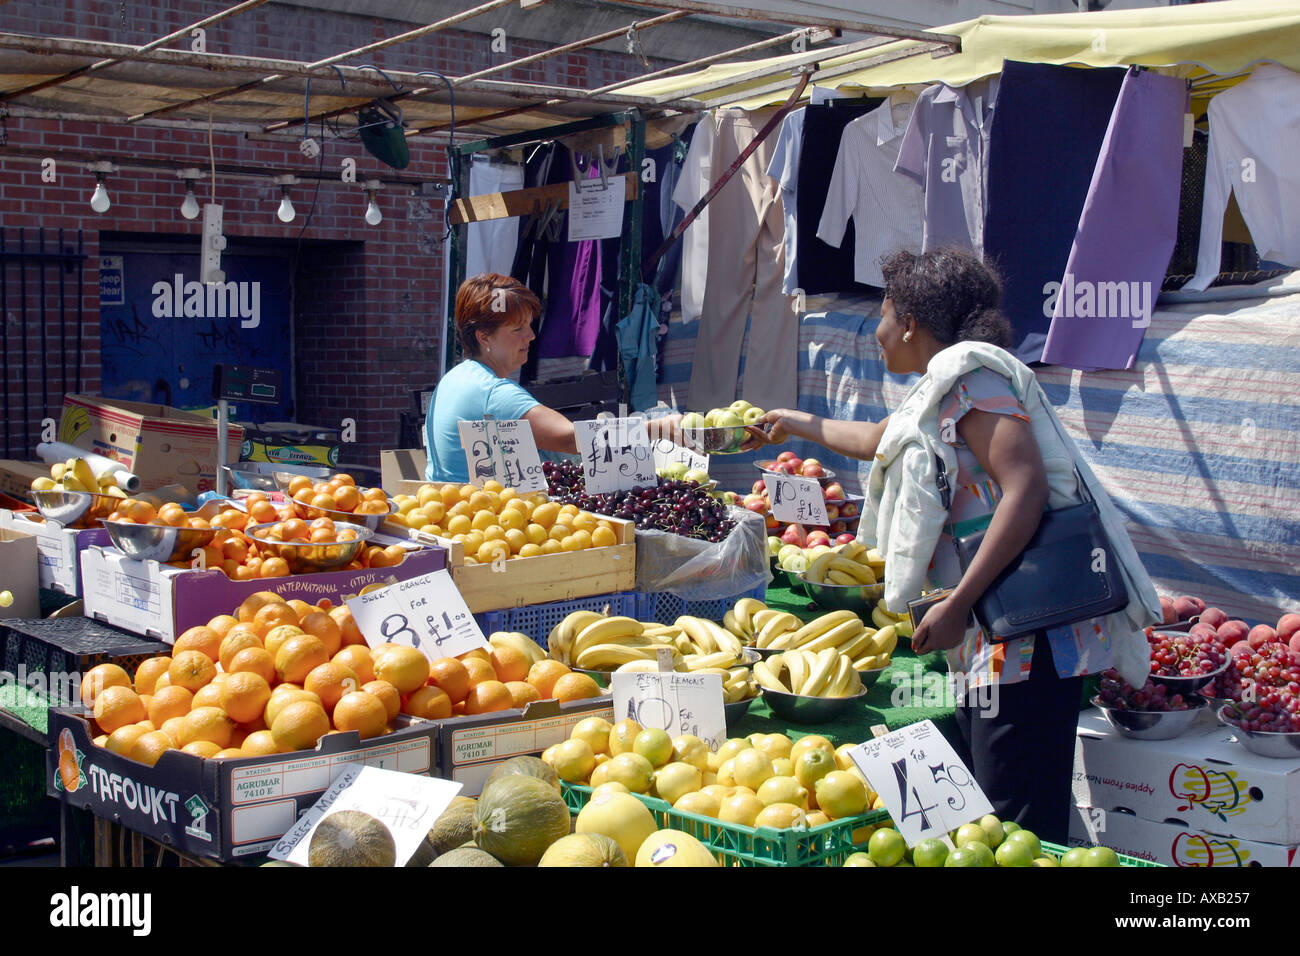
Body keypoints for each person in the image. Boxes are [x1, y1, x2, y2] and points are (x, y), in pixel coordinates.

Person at [744, 248, 1154, 842]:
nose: (876, 331)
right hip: (995, 632)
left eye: (882, 314)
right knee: (995, 813)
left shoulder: (974, 377)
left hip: (1027, 634)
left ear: (910, 321)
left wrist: (958, 602)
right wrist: (793, 421)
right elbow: (875, 439)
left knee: (1017, 825)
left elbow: (1026, 488)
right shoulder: (939, 389)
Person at [425, 273, 681, 482]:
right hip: (479, 524)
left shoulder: (454, 378)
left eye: (529, 325)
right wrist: (656, 428)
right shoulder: (495, 393)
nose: (531, 336)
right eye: (518, 329)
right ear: (484, 337)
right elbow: (572, 438)